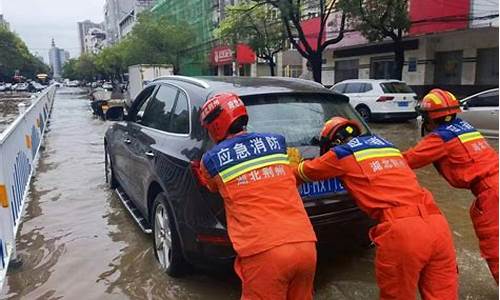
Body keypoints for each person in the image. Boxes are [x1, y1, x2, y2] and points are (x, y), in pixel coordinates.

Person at [294, 116, 458, 299]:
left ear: (333, 142)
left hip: (403, 231)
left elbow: (302, 173)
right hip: (438, 225)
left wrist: (287, 165)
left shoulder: (341, 154)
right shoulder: (389, 148)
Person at [198, 92, 317, 300]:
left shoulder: (212, 160)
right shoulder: (277, 143)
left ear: (215, 126)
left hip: (264, 251)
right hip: (306, 245)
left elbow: (211, 186)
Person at [403, 88, 499, 283]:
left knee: (496, 251)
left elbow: (406, 161)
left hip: (492, 194)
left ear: (429, 118)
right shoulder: (465, 128)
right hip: (494, 185)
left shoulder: (440, 139)